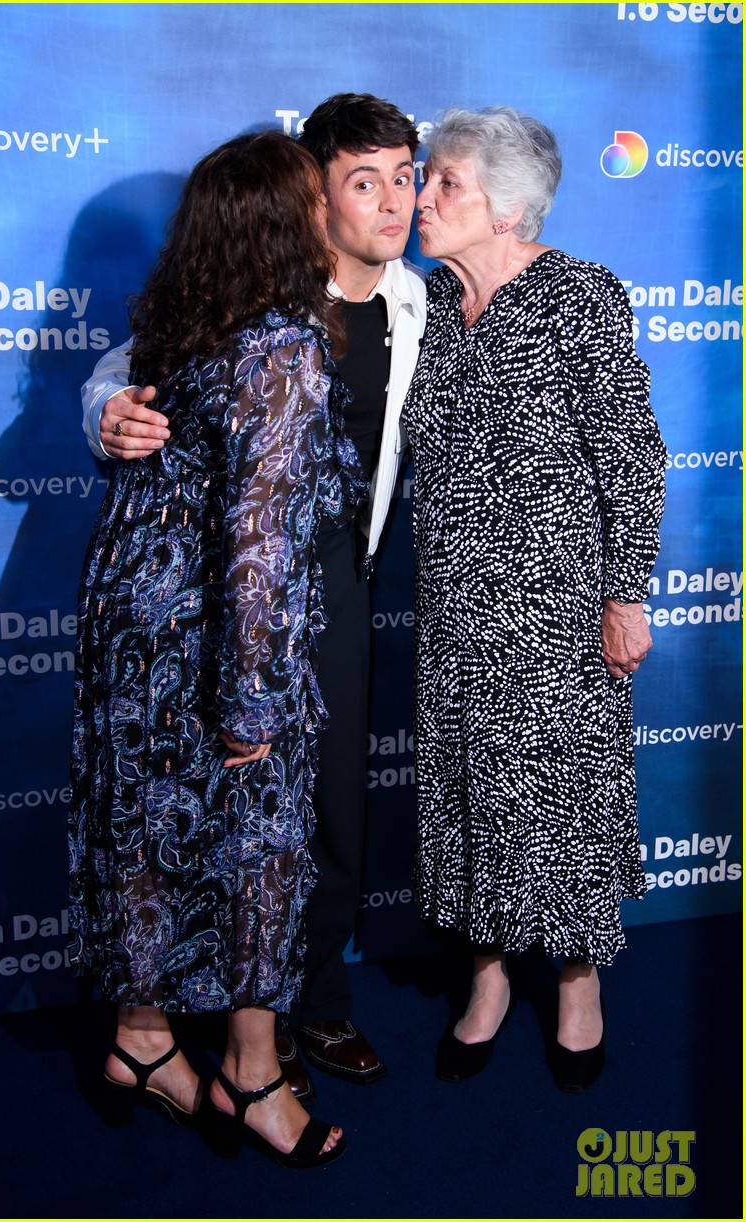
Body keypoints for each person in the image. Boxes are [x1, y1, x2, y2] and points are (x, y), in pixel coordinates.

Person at [80, 94, 427, 1094]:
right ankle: (240, 1034)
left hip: (334, 578)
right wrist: (104, 409)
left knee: (327, 807)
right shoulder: (259, 291)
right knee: (233, 804)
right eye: (364, 181)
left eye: (405, 177)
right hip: (230, 583)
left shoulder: (421, 304)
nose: (393, 201)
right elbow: (132, 367)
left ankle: (308, 1002)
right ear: (315, 197)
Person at [402, 107, 667, 1092]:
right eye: (426, 177)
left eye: (446, 182)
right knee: (466, 789)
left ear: (508, 209)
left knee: (566, 793)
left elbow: (631, 457)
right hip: (451, 605)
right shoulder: (426, 302)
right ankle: (484, 976)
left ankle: (576, 980)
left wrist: (624, 595)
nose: (422, 198)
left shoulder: (578, 295)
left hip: (556, 607)